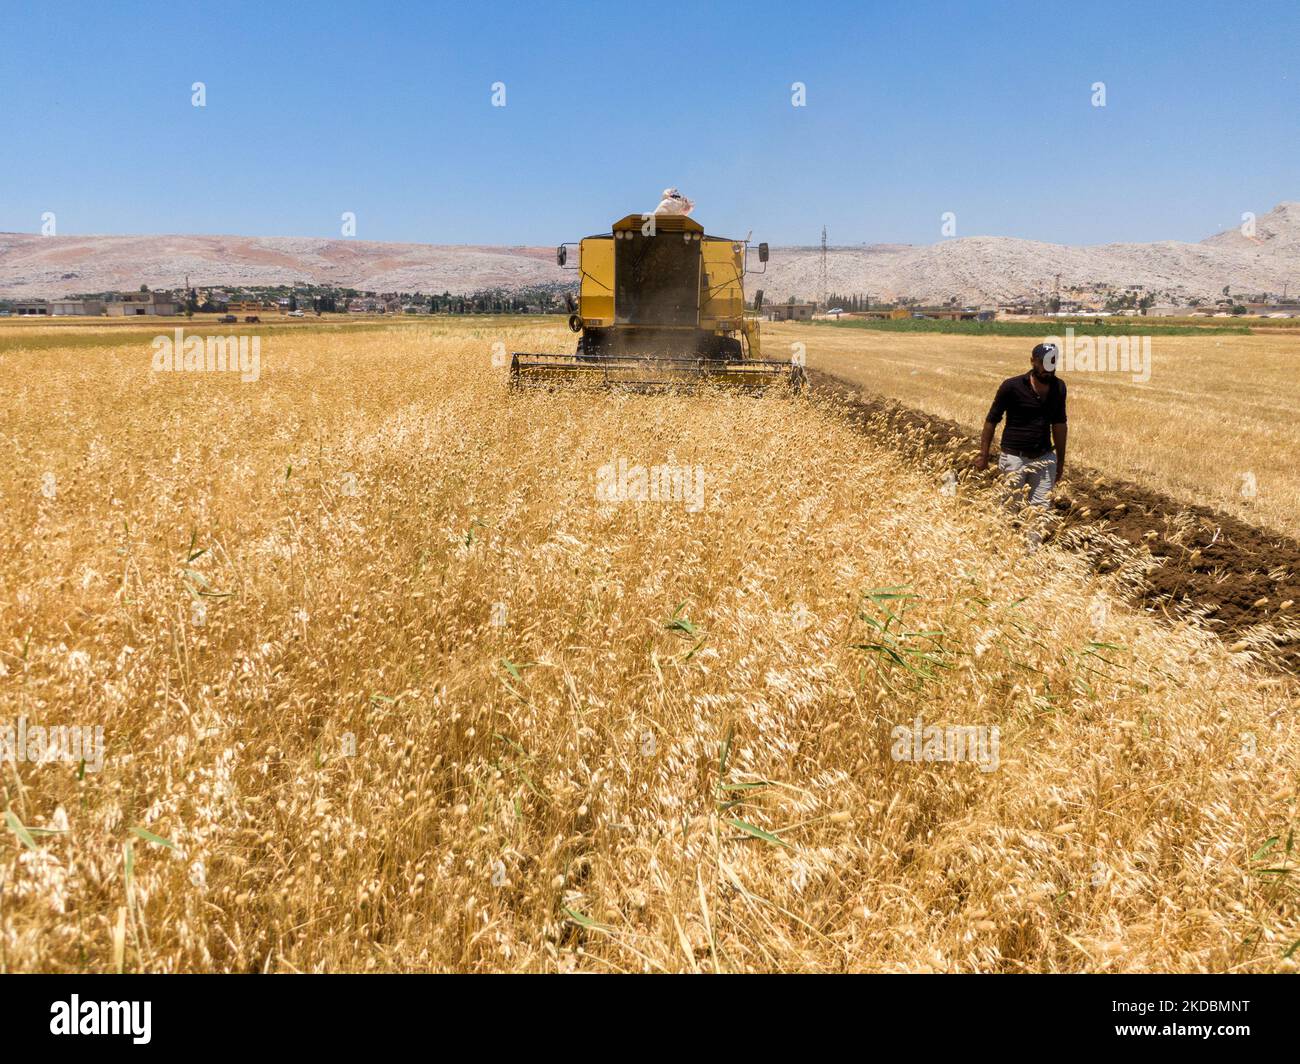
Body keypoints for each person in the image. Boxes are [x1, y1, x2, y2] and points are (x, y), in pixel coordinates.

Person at [975, 342, 1068, 547]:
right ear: (1033, 361)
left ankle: (1030, 553)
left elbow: (1060, 424)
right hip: (1014, 457)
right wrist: (983, 454)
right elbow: (992, 420)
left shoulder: (1059, 388)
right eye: (1044, 362)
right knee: (1010, 506)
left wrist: (1060, 461)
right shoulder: (1012, 386)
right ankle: (1001, 547)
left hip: (1044, 457)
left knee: (1041, 509)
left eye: (1053, 361)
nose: (1048, 367)